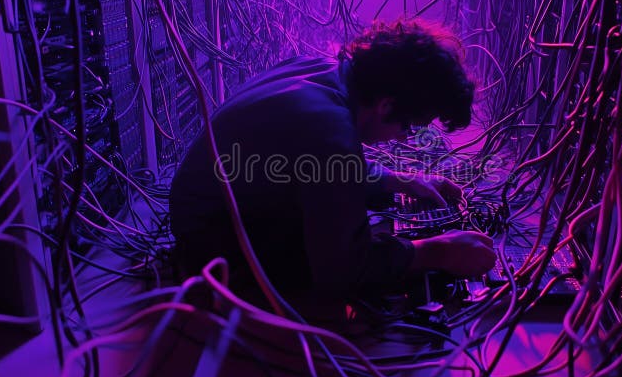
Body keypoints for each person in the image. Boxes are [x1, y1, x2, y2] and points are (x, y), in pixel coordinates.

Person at [169, 19, 497, 298]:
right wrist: (437, 251)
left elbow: (321, 168)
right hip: (210, 243)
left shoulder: (321, 71)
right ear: (386, 105)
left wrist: (401, 180)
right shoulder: (328, 127)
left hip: (198, 213)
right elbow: (341, 272)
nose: (403, 138)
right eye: (408, 127)